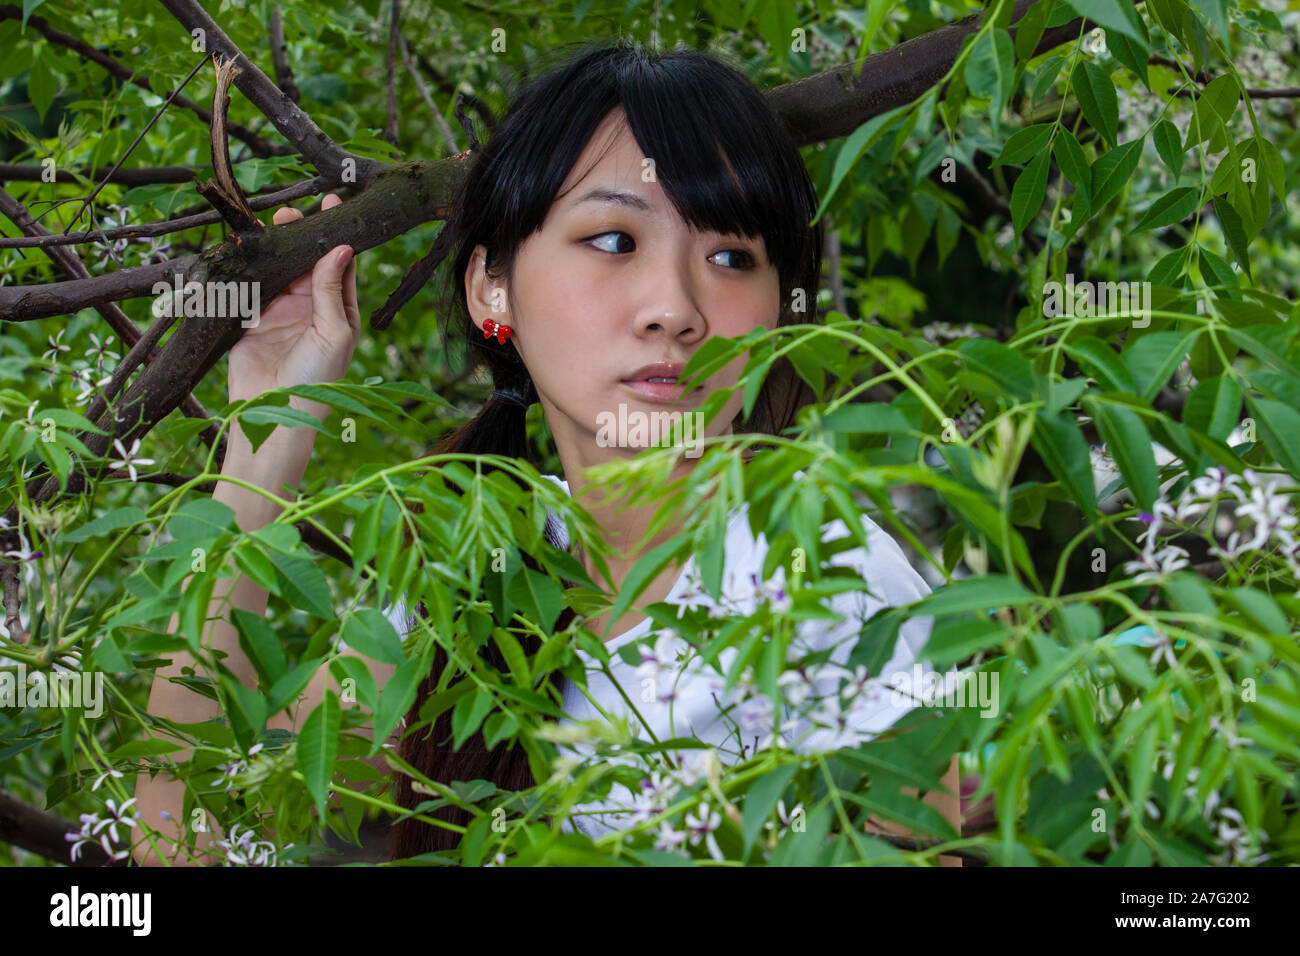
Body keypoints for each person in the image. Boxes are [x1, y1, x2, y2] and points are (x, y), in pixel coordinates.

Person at [134, 39, 961, 867]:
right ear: (493, 285)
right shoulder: (465, 583)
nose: (675, 310)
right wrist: (267, 436)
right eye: (613, 241)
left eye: (730, 257)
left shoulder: (842, 591)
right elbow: (191, 841)